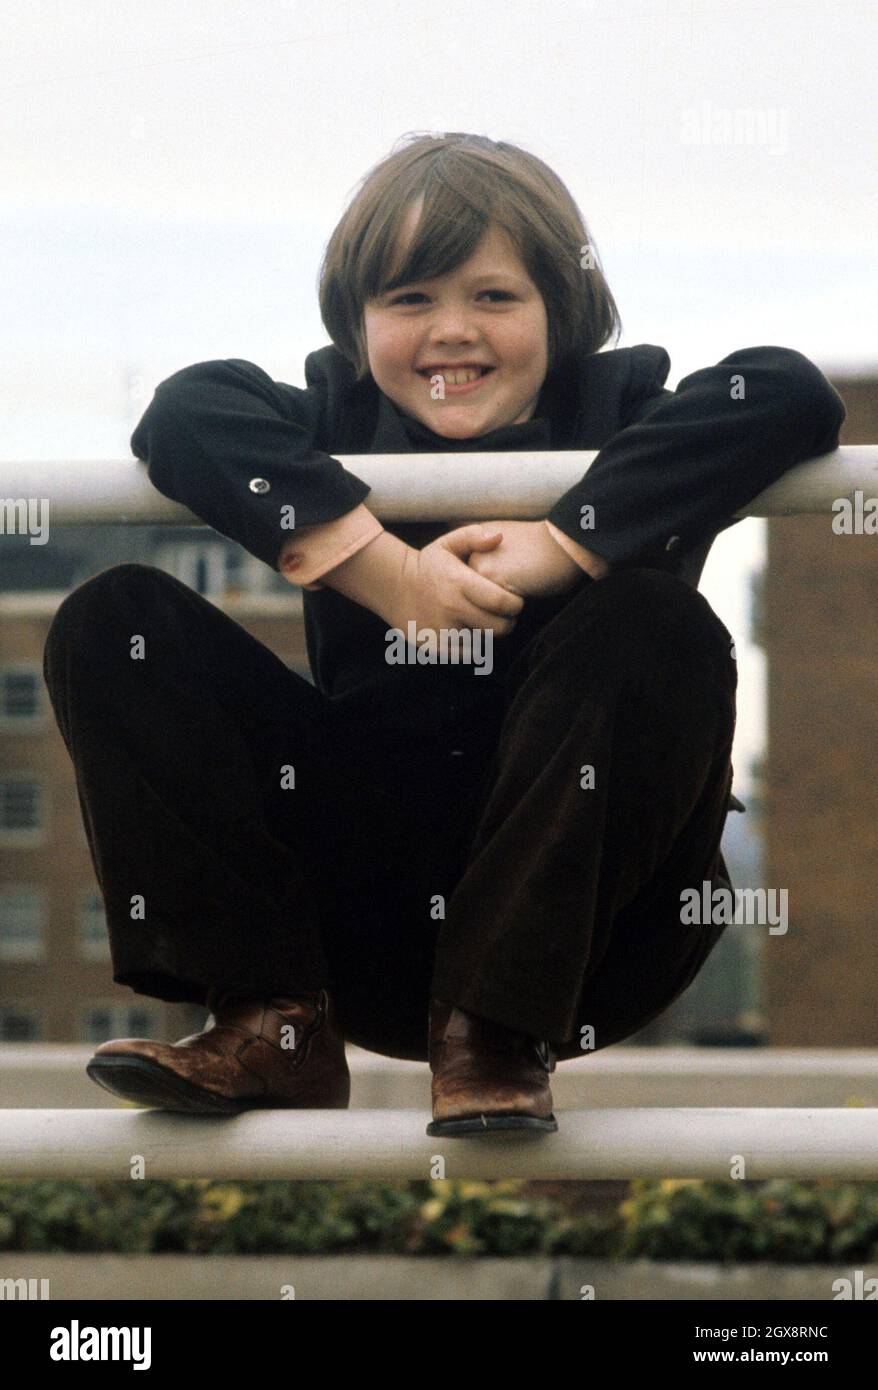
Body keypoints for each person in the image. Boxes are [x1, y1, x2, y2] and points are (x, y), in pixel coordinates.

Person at [42, 132, 845, 1137]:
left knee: (654, 621)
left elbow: (787, 391)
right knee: (117, 621)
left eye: (493, 298)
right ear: (356, 322)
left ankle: (496, 1028)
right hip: (365, 926)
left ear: (561, 307)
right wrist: (384, 573)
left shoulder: (619, 405)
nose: (450, 333)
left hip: (590, 941)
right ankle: (270, 1023)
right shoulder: (335, 417)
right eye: (408, 300)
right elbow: (183, 414)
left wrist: (565, 542)